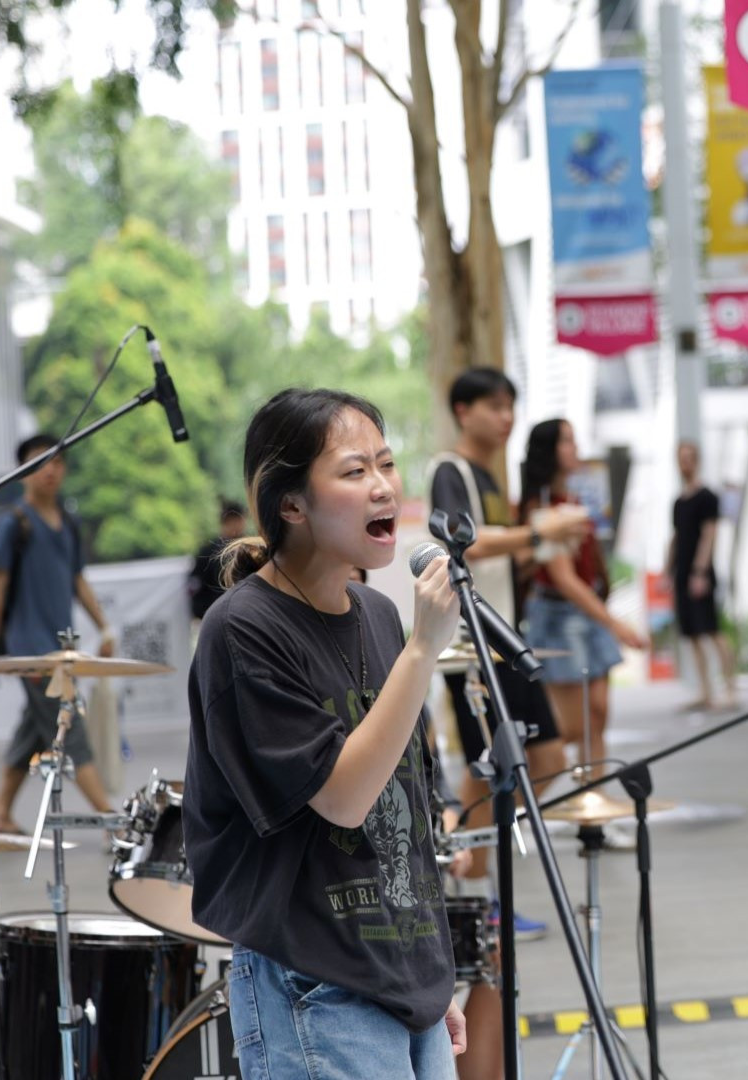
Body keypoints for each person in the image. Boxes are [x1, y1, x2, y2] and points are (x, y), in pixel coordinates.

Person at [184, 388, 466, 1078]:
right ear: (291, 505)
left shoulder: (376, 614)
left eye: (387, 464)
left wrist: (429, 972)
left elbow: (410, 807)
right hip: (315, 987)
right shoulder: (244, 628)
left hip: (399, 978)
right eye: (353, 471)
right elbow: (343, 799)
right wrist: (424, 652)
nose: (382, 488)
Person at [429, 368, 591, 1079]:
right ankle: (480, 886)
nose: (506, 417)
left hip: (503, 642)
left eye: (511, 407)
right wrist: (537, 530)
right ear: (464, 410)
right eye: (495, 406)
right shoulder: (450, 470)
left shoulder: (490, 477)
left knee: (535, 760)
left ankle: (491, 885)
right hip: (474, 650)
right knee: (495, 769)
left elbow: (507, 550)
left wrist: (543, 538)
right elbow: (460, 546)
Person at [0, 434, 118, 832]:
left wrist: (104, 627)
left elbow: (79, 580)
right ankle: (110, 817)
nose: (51, 470)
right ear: (22, 472)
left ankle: (0, 813)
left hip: (60, 648)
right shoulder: (14, 523)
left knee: (34, 729)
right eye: (39, 462)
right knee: (65, 722)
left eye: (57, 462)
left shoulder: (69, 524)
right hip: (31, 651)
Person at [520, 419, 646, 781]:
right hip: (559, 615)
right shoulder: (543, 506)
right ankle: (531, 799)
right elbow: (562, 578)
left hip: (586, 608)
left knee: (598, 716)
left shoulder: (571, 499)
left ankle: (594, 813)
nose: (575, 448)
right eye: (567, 442)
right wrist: (616, 623)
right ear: (550, 450)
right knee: (573, 726)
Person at [669, 440, 740, 712]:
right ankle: (705, 691)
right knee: (692, 635)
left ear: (696, 460)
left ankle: (730, 687)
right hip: (681, 572)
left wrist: (700, 571)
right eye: (680, 458)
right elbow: (676, 537)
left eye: (689, 457)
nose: (684, 463)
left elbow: (710, 535)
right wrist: (668, 570)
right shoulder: (678, 501)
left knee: (712, 630)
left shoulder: (707, 497)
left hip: (700, 573)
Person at [189, 501, 247, 624]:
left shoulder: (250, 548)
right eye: (235, 520)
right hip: (215, 613)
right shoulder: (208, 551)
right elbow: (196, 585)